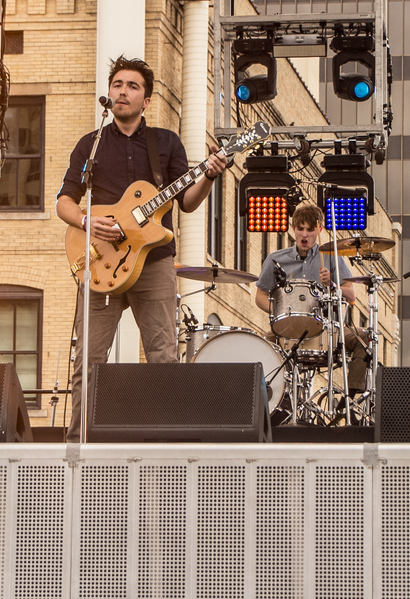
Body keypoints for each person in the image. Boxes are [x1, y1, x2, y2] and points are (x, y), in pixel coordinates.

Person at [57, 55, 228, 442]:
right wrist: (87, 222)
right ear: (109, 94)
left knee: (163, 358)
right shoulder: (92, 143)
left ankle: (164, 446)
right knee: (87, 361)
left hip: (153, 264)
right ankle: (76, 448)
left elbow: (186, 203)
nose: (123, 91)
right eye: (118, 84)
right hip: (102, 264)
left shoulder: (165, 143)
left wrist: (211, 177)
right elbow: (63, 202)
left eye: (132, 86)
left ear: (146, 100)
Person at [255, 202, 368, 395]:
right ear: (293, 229)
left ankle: (349, 397)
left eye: (310, 230)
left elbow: (351, 296)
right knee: (257, 347)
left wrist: (332, 284)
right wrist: (283, 313)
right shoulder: (276, 259)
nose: (304, 235)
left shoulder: (332, 255)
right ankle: (269, 403)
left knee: (365, 337)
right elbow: (260, 297)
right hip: (288, 330)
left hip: (327, 329)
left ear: (320, 230)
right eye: (300, 229)